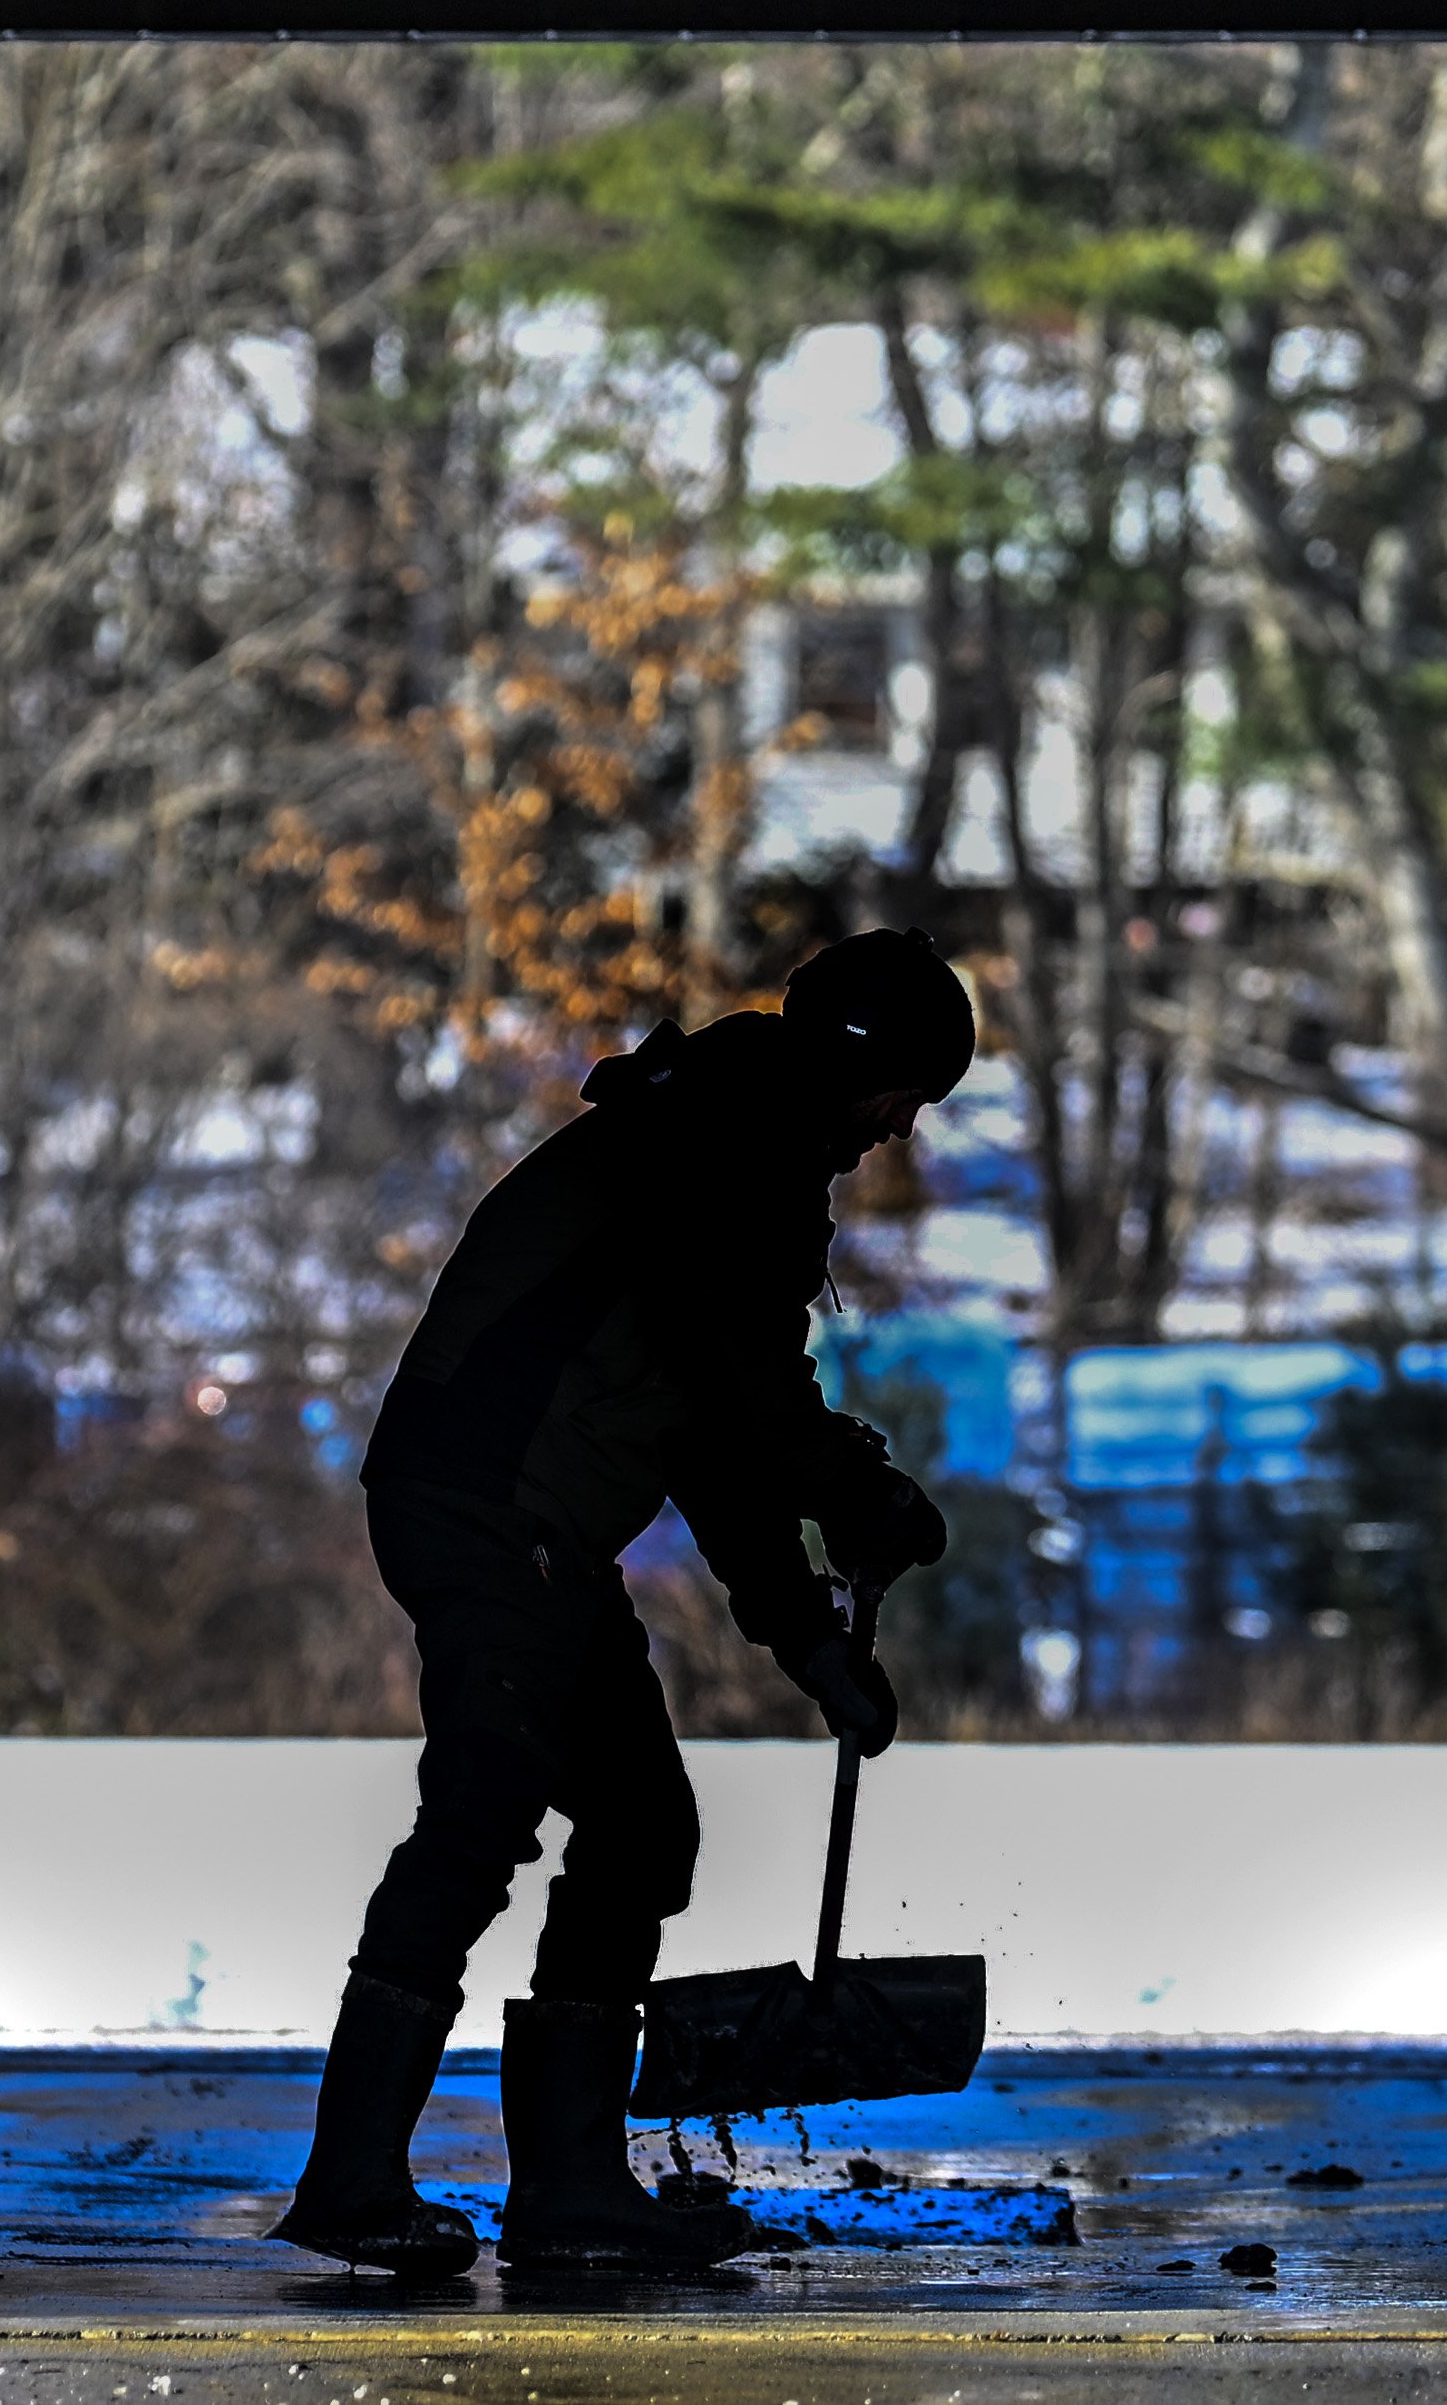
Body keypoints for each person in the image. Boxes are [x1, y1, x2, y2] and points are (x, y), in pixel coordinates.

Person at [271, 929, 973, 2276]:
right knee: (481, 1818)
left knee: (641, 1826)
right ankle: (354, 2180)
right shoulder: (732, 1145)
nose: (903, 1128)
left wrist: (808, 1639)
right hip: (493, 1508)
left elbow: (711, 1431)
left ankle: (571, 2193)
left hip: (523, 1519)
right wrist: (858, 1486)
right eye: (907, 1095)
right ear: (859, 1064)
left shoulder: (731, 1135)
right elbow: (755, 1396)